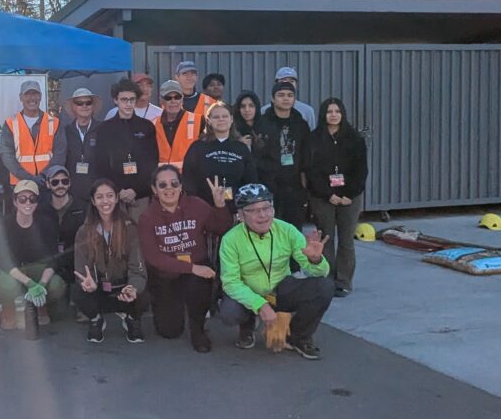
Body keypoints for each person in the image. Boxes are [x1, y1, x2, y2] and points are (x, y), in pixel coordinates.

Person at [216, 183, 333, 358]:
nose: (262, 215)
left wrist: (315, 260)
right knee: (229, 312)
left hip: (280, 289)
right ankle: (247, 325)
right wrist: (260, 305)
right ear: (241, 215)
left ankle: (298, 336)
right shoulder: (230, 239)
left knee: (324, 286)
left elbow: (319, 273)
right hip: (249, 291)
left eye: (266, 208)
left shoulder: (287, 230)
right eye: (254, 210)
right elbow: (230, 282)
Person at [137, 165, 220, 351]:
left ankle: (198, 328)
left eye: (174, 183)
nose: (169, 189)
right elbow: (153, 257)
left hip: (196, 270)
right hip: (166, 275)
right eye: (162, 185)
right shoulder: (147, 217)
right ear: (154, 189)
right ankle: (170, 307)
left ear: (181, 186)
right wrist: (191, 268)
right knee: (169, 331)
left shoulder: (197, 205)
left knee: (200, 281)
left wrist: (220, 206)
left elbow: (221, 228)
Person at [305, 97, 369, 298]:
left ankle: (344, 281)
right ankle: (327, 278)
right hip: (323, 197)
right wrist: (328, 194)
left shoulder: (355, 138)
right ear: (323, 115)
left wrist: (349, 194)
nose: (333, 115)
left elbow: (361, 170)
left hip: (350, 197)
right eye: (329, 111)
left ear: (343, 114)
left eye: (337, 111)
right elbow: (310, 170)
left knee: (346, 239)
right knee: (326, 238)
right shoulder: (313, 139)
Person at [73, 179, 147, 344]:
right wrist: (88, 283)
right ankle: (96, 319)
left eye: (109, 196)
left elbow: (138, 268)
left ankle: (132, 318)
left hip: (124, 289)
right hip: (99, 288)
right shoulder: (83, 232)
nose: (105, 201)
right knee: (78, 292)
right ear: (93, 201)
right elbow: (81, 268)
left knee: (143, 292)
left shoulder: (130, 228)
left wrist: (133, 287)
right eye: (99, 197)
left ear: (116, 198)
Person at [0, 178, 67, 329]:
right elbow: (3, 260)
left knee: (57, 285)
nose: (28, 203)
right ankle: (8, 309)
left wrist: (41, 285)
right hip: (14, 270)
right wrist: (30, 283)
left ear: (37, 202)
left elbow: (53, 258)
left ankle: (41, 305)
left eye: (32, 199)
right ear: (15, 202)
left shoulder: (46, 224)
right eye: (22, 199)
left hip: (39, 268)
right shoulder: (3, 225)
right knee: (6, 285)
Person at [94, 77, 159, 220]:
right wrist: (117, 190)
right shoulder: (104, 129)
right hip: (114, 196)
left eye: (132, 99)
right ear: (116, 100)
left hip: (140, 196)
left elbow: (152, 163)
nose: (128, 104)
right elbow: (101, 164)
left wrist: (135, 190)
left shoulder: (146, 127)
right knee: (117, 232)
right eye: (124, 100)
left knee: (141, 232)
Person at [183, 101, 257, 218]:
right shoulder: (198, 147)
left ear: (231, 119)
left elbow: (251, 180)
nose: (221, 119)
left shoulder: (241, 148)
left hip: (236, 211)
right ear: (208, 121)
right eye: (216, 117)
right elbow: (188, 180)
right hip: (205, 210)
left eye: (225, 116)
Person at [251, 82, 311, 228]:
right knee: (270, 227)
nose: (286, 98)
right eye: (281, 95)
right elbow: (256, 156)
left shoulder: (300, 124)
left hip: (294, 184)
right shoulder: (262, 123)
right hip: (268, 183)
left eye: (290, 95)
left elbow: (306, 155)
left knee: (294, 228)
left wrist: (305, 183)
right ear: (273, 98)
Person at [0, 79, 59, 186]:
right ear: (21, 97)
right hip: (21, 185)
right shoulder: (10, 124)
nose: (32, 98)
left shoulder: (54, 123)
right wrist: (29, 178)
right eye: (27, 94)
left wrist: (44, 176)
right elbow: (7, 156)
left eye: (35, 94)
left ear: (40, 96)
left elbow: (60, 155)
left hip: (47, 183)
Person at [50, 87, 101, 202]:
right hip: (72, 193)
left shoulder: (103, 129)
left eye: (88, 102)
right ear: (73, 107)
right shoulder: (65, 131)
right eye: (79, 103)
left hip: (97, 193)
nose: (84, 106)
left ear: (93, 106)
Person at [154, 79, 201, 173]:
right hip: (163, 178)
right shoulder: (152, 124)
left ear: (182, 99)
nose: (173, 101)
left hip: (189, 178)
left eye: (177, 97)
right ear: (161, 100)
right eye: (168, 98)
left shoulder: (199, 121)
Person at [173, 60, 218, 128]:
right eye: (185, 74)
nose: (189, 77)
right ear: (177, 77)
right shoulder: (169, 101)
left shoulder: (210, 102)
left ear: (197, 77)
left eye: (193, 74)